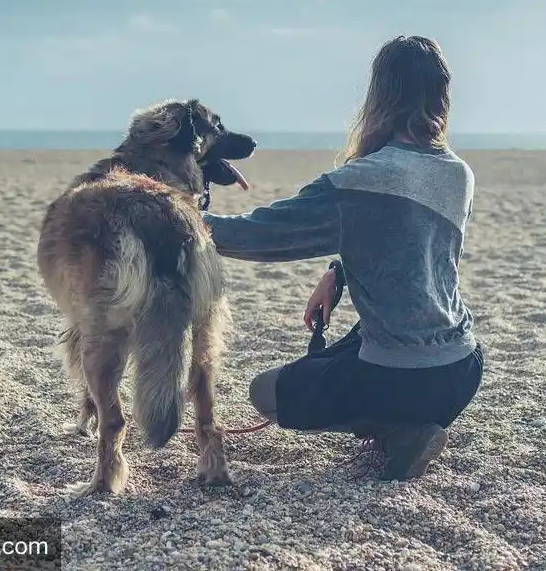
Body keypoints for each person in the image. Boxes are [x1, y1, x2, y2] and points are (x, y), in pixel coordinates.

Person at [202, 35, 483, 481]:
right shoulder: (458, 173)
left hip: (398, 379)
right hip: (462, 368)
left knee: (266, 392)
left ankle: (399, 431)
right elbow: (409, 244)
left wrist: (174, 213)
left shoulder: (360, 179)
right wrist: (338, 270)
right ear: (441, 94)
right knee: (356, 347)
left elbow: (256, 235)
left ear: (380, 94)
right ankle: (409, 424)